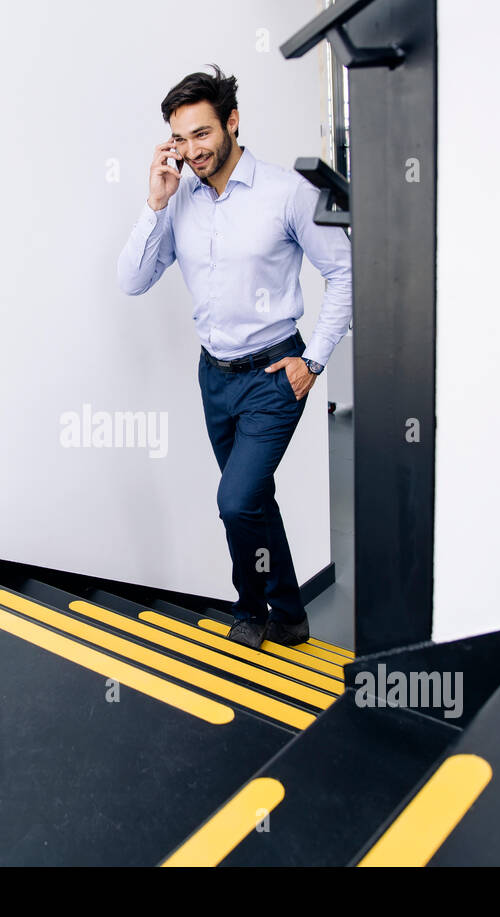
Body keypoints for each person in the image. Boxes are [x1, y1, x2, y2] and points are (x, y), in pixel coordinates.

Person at [116, 64, 352, 650]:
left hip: (275, 373)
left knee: (235, 499)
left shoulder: (286, 193)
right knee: (252, 501)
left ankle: (252, 605)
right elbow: (132, 281)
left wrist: (315, 359)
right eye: (180, 138)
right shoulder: (180, 201)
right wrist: (153, 203)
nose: (192, 149)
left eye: (202, 133)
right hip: (213, 376)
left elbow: (345, 271)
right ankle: (287, 612)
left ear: (232, 123)